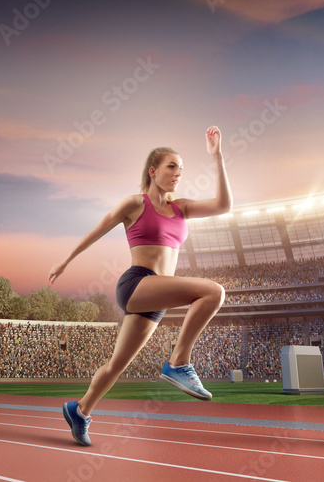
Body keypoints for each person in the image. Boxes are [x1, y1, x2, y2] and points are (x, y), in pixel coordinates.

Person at [49, 126, 232, 446]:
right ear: (153, 170)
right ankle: (178, 363)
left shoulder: (182, 208)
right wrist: (65, 261)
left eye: (182, 169)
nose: (178, 173)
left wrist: (217, 157)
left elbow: (223, 206)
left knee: (116, 366)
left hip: (155, 296)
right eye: (171, 166)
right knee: (213, 291)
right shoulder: (134, 204)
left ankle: (80, 410)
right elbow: (97, 230)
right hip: (137, 283)